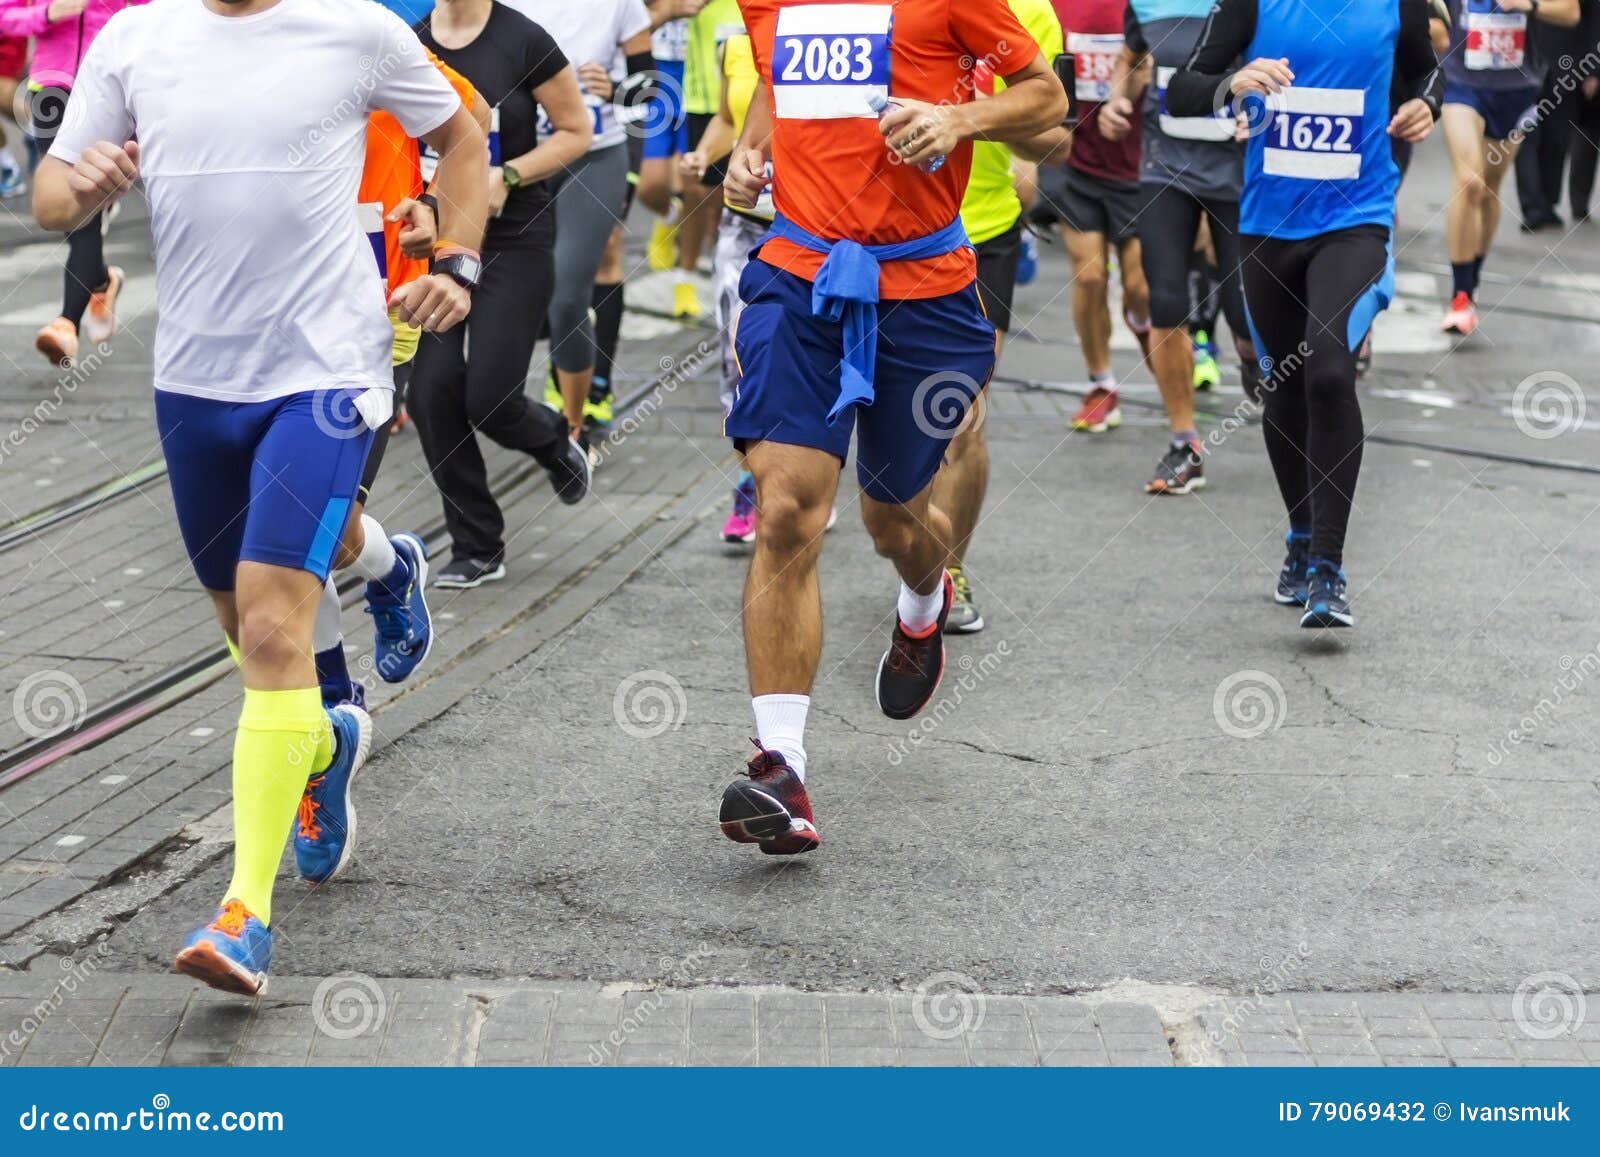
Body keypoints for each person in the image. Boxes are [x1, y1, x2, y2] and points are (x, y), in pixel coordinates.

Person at [37, 0, 490, 994]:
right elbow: (49, 199)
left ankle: (246, 910)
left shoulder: (356, 30)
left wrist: (457, 257)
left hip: (327, 369)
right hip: (196, 381)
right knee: (251, 633)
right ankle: (375, 598)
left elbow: (463, 134)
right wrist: (83, 186)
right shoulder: (135, 40)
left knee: (275, 621)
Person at [715, 0, 1066, 856]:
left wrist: (959, 116)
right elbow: (775, 77)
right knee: (788, 512)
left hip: (931, 289)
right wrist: (749, 151)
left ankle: (924, 599)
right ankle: (780, 769)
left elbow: (1047, 100)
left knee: (892, 518)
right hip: (798, 278)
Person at [1168, 0, 1442, 630]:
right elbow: (1181, 92)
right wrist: (1229, 84)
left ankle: (1328, 567)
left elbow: (1428, 70)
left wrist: (1427, 102)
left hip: (1357, 220)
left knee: (1327, 369)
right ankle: (1299, 535)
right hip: (1268, 226)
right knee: (1282, 390)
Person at [411, 0, 594, 591]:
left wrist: (506, 174)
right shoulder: (409, 43)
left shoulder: (523, 39)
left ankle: (552, 440)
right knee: (432, 395)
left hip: (515, 242)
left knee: (489, 398)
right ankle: (477, 544)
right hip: (437, 243)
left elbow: (576, 132)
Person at [938, 0, 1067, 634]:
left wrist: (967, 119)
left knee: (959, 418)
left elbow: (1059, 141)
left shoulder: (1031, 14)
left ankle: (947, 573)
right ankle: (909, 551)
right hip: (876, 237)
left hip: (979, 234)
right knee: (884, 423)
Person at [1101, 0, 1257, 497]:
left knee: (1245, 313)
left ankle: (1256, 361)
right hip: (1165, 169)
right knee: (1164, 300)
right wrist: (1115, 100)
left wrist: (1263, 115)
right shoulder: (1145, 5)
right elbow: (1129, 56)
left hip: (1236, 174)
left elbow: (1285, 63)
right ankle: (1184, 441)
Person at [506, 0, 653, 447]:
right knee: (521, 292)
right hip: (523, 158)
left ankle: (573, 425)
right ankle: (520, 398)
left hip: (595, 157)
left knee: (569, 292)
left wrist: (616, 90)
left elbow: (651, 92)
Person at [8, 0, 146, 368]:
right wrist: (47, 12)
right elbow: (5, 16)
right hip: (50, 90)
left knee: (85, 207)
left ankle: (67, 320)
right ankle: (99, 284)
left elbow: (160, 17)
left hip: (106, 93)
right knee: (68, 202)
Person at [1438, 0, 1579, 336]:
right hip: (1461, 84)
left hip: (1515, 90)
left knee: (1487, 190)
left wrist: (1527, 4)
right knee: (1469, 181)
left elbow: (1570, 11)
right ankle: (1459, 296)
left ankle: (1471, 282)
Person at [1042, 0, 1151, 435]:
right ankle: (1101, 384)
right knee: (1089, 278)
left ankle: (1142, 320)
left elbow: (1151, 65)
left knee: (1140, 288)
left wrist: (1131, 89)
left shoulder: (1144, 6)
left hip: (1139, 168)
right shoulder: (1056, 7)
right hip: (1079, 165)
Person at [1514, 0, 1597, 230]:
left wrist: (1592, 70)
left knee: (1557, 139)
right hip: (1524, 64)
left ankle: (1547, 202)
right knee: (1527, 136)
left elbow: (1593, 20)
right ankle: (1532, 207)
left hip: (1567, 67)